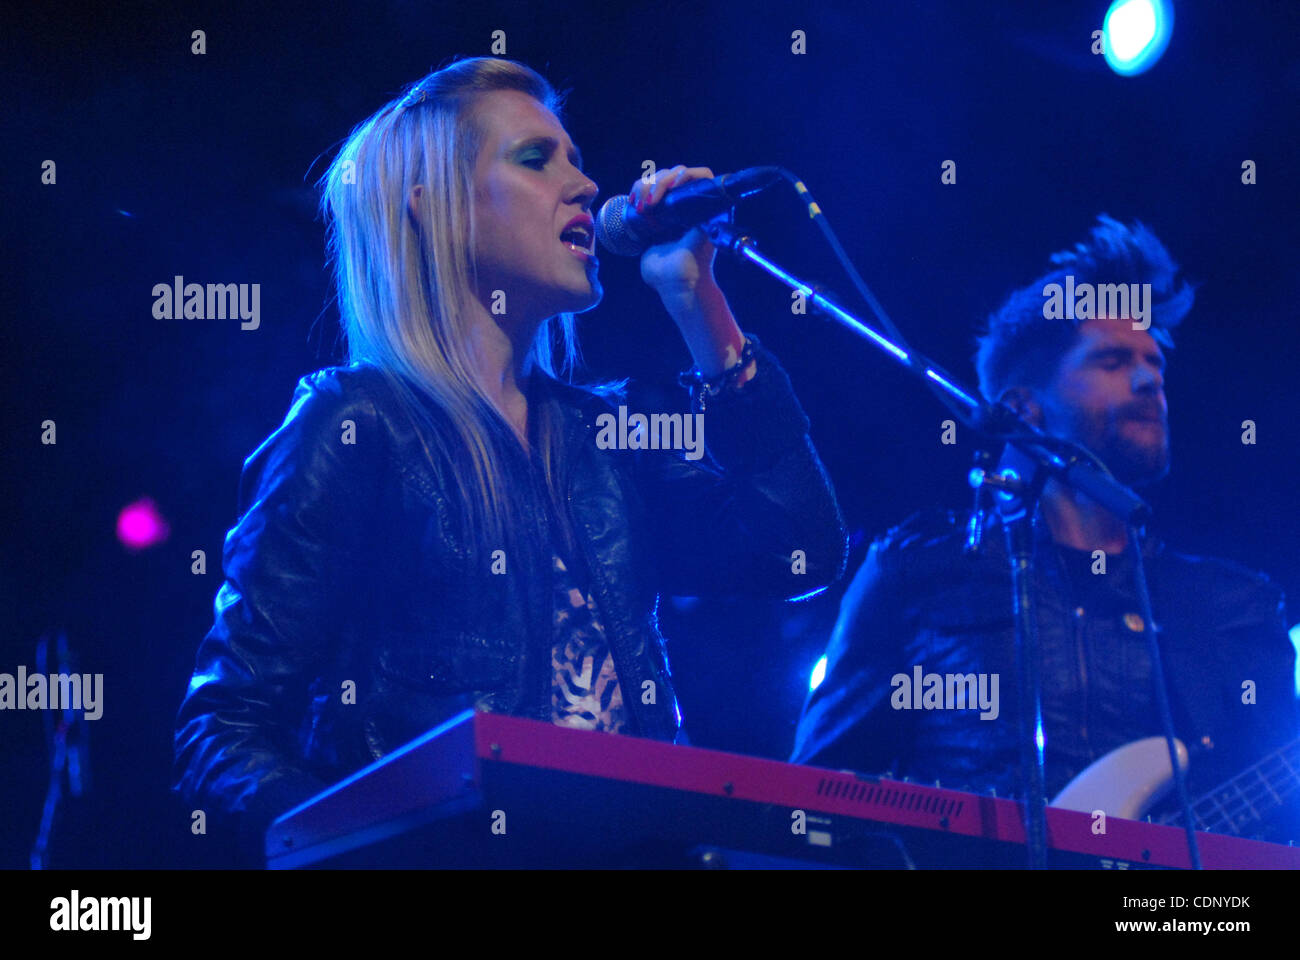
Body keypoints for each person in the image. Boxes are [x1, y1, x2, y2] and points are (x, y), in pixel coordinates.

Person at [173, 57, 847, 862]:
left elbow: (797, 548)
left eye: (574, 156)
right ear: (435, 206)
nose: (588, 185)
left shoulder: (606, 438)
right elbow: (226, 728)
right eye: (537, 159)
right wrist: (372, 848)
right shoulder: (358, 426)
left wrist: (696, 300)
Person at [791, 215, 1298, 841]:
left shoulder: (1233, 605)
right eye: (1113, 360)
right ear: (1022, 407)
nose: (1150, 379)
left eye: (1154, 363)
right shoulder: (918, 574)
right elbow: (811, 810)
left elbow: (1281, 833)